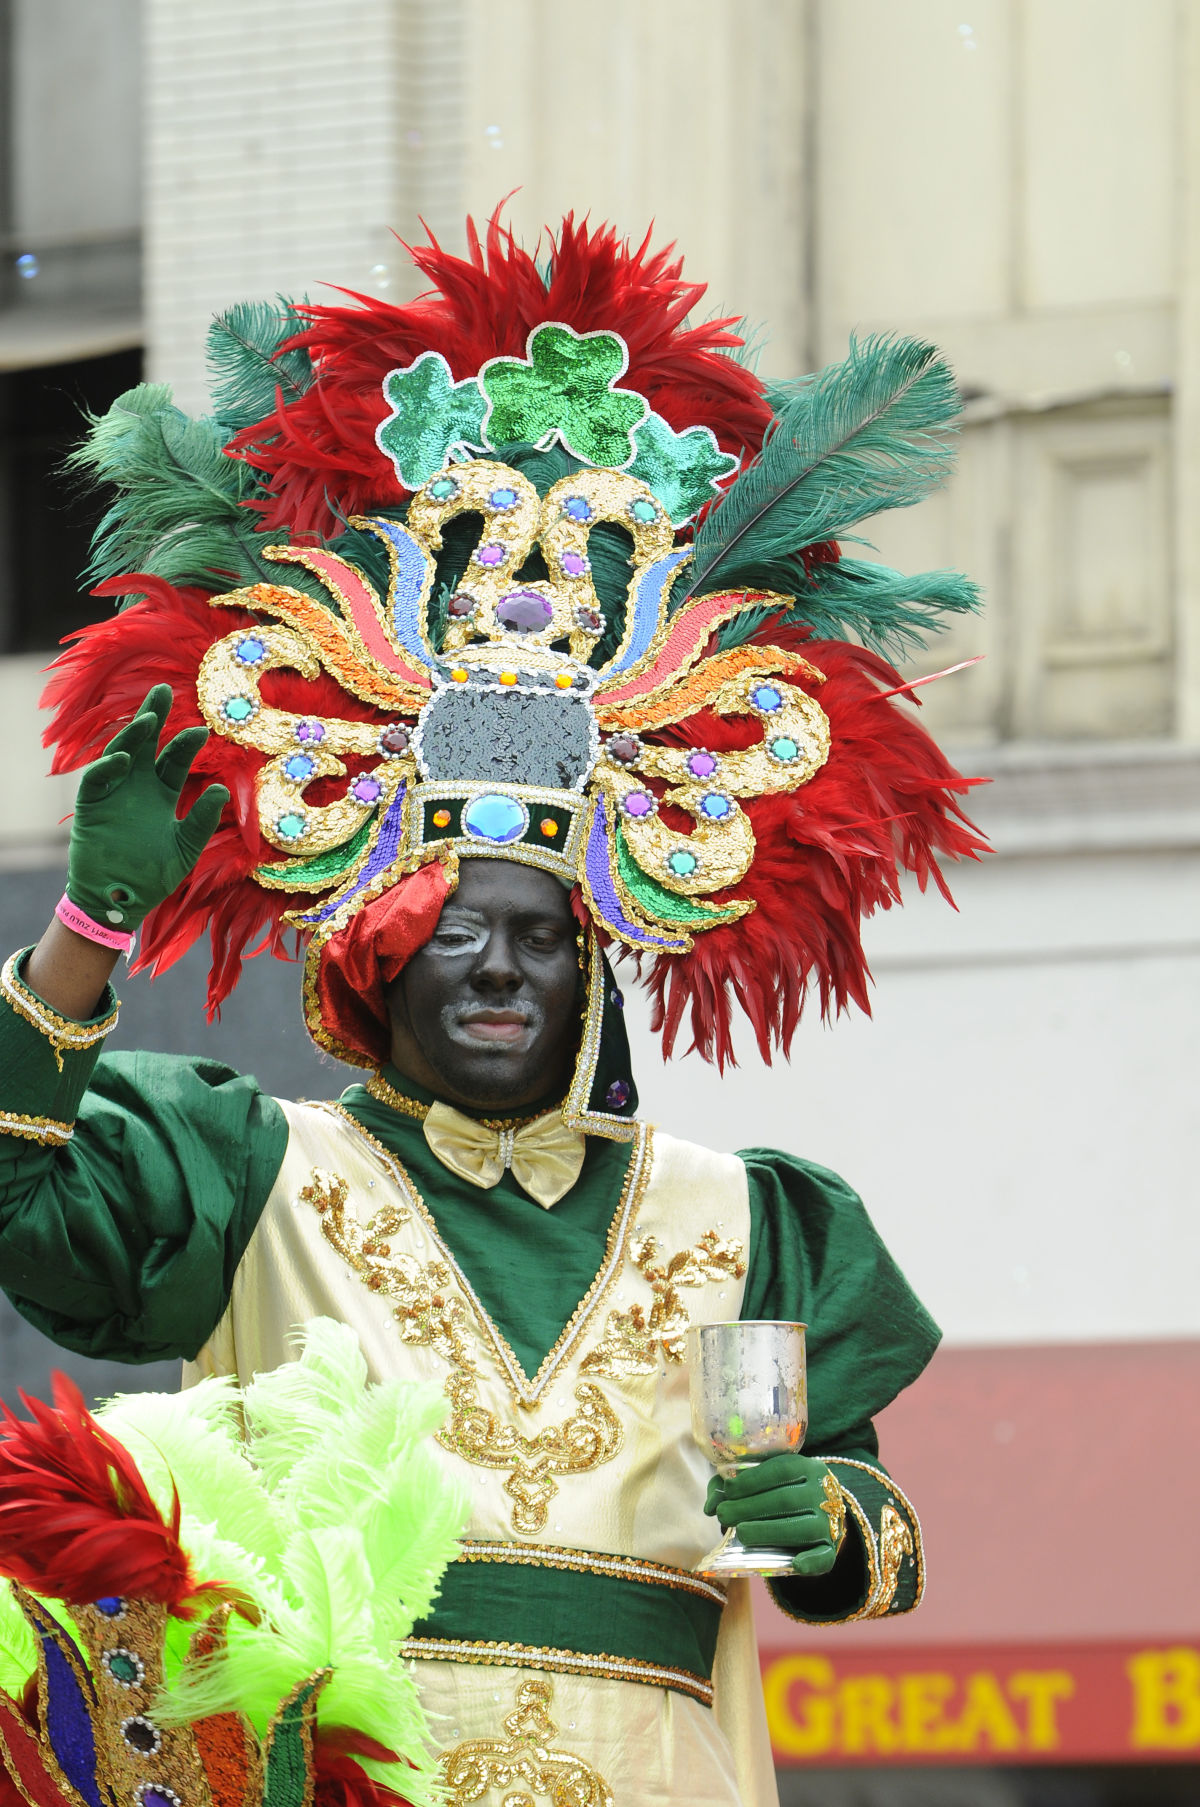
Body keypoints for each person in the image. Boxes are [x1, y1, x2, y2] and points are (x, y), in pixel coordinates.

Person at [0, 216, 983, 1807]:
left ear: (597, 963)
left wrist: (837, 1527)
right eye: (455, 939)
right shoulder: (249, 1174)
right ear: (372, 969)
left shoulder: (748, 1220)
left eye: (540, 939)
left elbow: (859, 1533)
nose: (504, 967)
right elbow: (13, 1189)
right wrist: (87, 934)